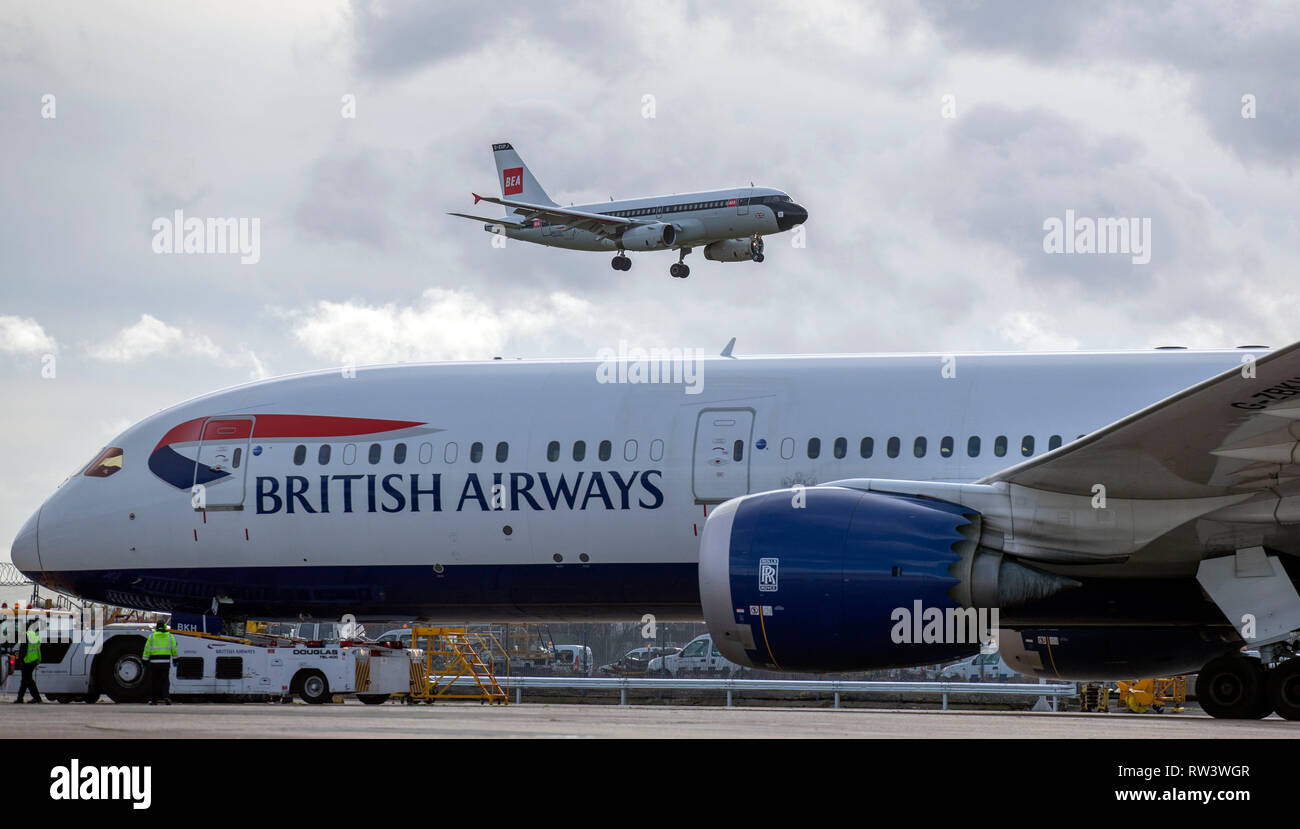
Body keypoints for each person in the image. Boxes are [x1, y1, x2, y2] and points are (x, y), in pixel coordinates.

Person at [142, 620, 178, 705]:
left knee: (154, 681)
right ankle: (166, 697)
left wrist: (144, 661)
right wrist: (176, 660)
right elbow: (174, 649)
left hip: (154, 663)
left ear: (156, 627)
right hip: (165, 662)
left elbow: (147, 650)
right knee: (165, 680)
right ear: (165, 627)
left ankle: (153, 700)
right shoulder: (170, 636)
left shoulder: (152, 637)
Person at [15, 617, 42, 704]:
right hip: (34, 660)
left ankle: (37, 698)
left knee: (28, 680)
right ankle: (20, 698)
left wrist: (21, 661)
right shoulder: (36, 636)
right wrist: (38, 659)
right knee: (25, 679)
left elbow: (23, 649)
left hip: (27, 661)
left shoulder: (26, 635)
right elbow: (38, 650)